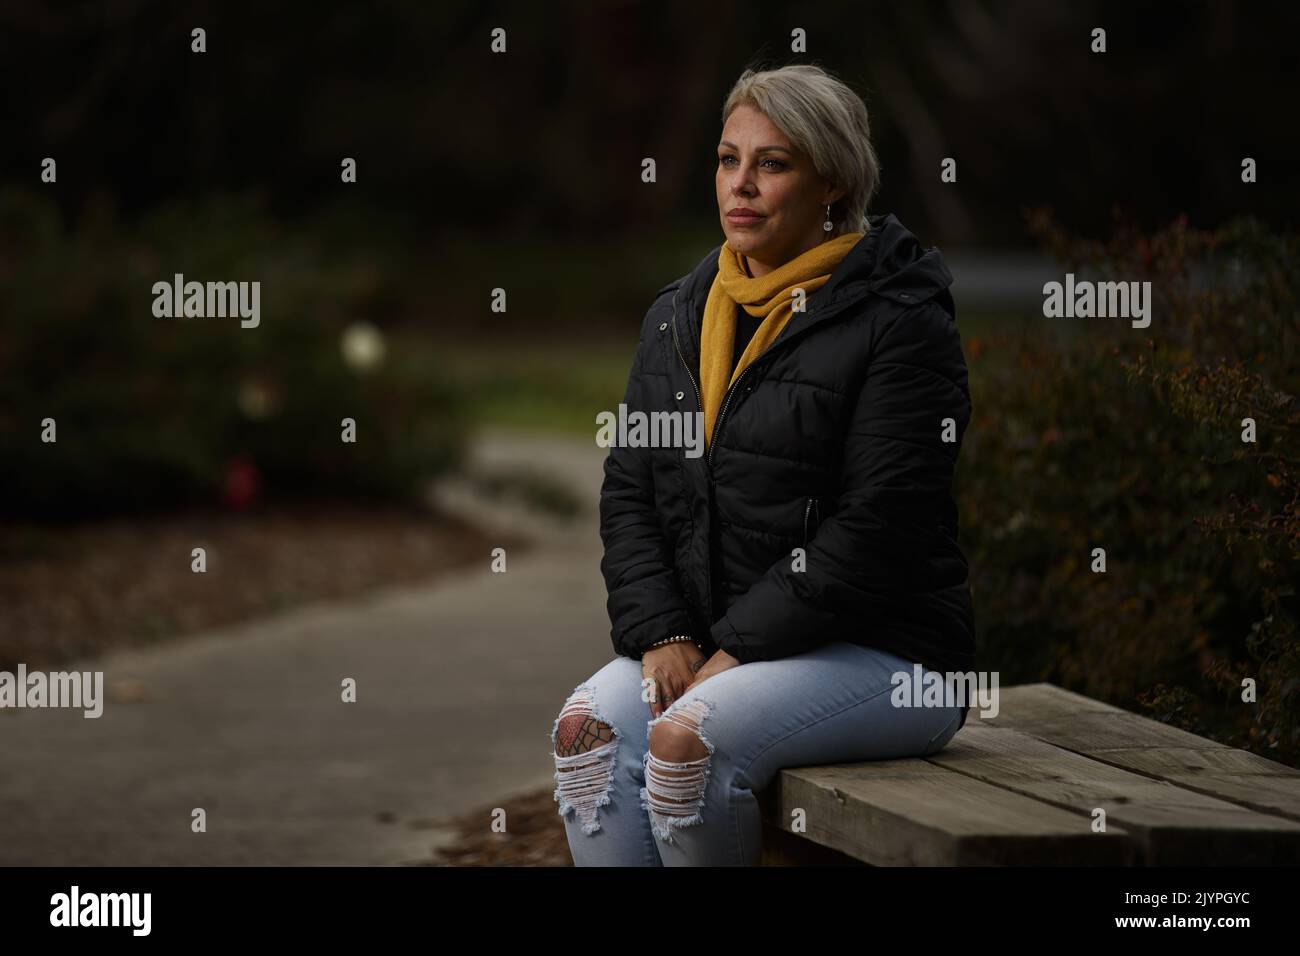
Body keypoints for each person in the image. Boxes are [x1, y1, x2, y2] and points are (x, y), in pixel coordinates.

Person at [550, 62, 976, 866]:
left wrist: (735, 650)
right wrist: (665, 630)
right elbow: (631, 492)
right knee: (588, 732)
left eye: (772, 164)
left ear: (832, 184)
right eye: (726, 159)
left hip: (887, 655)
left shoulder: (900, 320)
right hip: (720, 647)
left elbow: (881, 524)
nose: (739, 185)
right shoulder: (679, 314)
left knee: (686, 746)